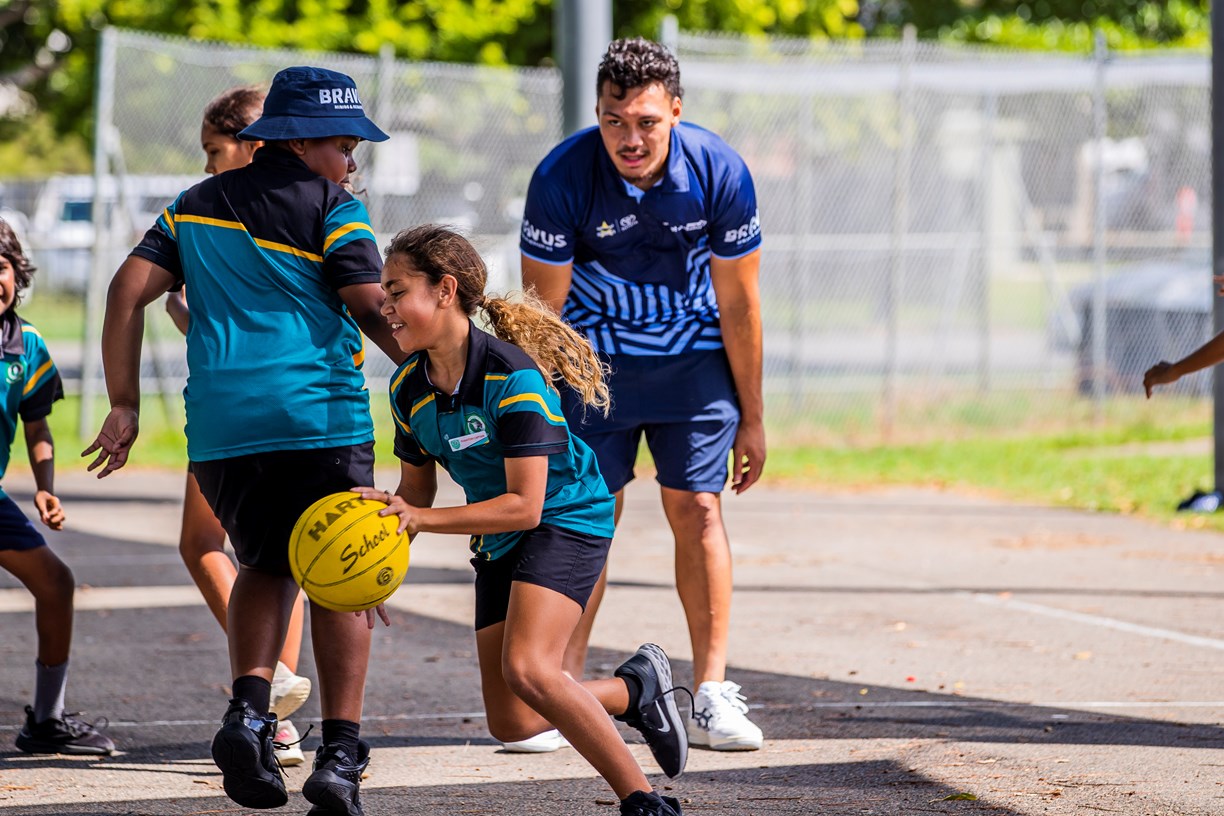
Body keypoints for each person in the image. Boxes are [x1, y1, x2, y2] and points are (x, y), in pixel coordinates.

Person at [83, 66, 404, 815]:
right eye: (346, 145)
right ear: (305, 139)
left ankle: (249, 713)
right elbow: (367, 303)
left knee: (260, 562)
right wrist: (441, 369)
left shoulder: (192, 207)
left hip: (223, 431)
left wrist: (125, 403)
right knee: (341, 577)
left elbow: (126, 291)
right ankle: (340, 752)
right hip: (317, 420)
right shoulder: (336, 208)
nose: (352, 162)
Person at [353, 223, 688, 816]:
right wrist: (377, 565)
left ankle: (643, 800)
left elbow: (524, 504)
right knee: (516, 720)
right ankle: (633, 689)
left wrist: (422, 521)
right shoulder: (408, 389)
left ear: (445, 290)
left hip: (566, 516)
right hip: (501, 535)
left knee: (530, 667)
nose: (386, 307)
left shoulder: (513, 378)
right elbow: (413, 494)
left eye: (397, 291)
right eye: (384, 292)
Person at [520, 37, 766, 752]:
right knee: (588, 514)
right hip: (592, 367)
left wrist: (754, 417)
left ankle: (712, 692)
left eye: (647, 123)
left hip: (692, 362)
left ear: (676, 113)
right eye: (613, 120)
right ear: (598, 114)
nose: (630, 138)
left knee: (696, 505)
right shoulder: (563, 176)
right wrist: (533, 424)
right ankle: (564, 692)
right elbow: (543, 320)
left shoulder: (719, 171)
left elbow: (741, 307)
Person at [164, 84, 312, 768]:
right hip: (302, 405)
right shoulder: (313, 204)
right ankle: (277, 716)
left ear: (251, 145)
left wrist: (189, 322)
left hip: (239, 406)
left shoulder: (214, 219)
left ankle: (269, 694)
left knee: (209, 543)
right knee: (286, 558)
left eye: (212, 150)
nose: (206, 165)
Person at [0, 218, 114, 756]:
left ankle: (46, 720)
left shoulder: (29, 347)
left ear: (16, 274)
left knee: (56, 584)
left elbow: (37, 426)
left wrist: (45, 487)